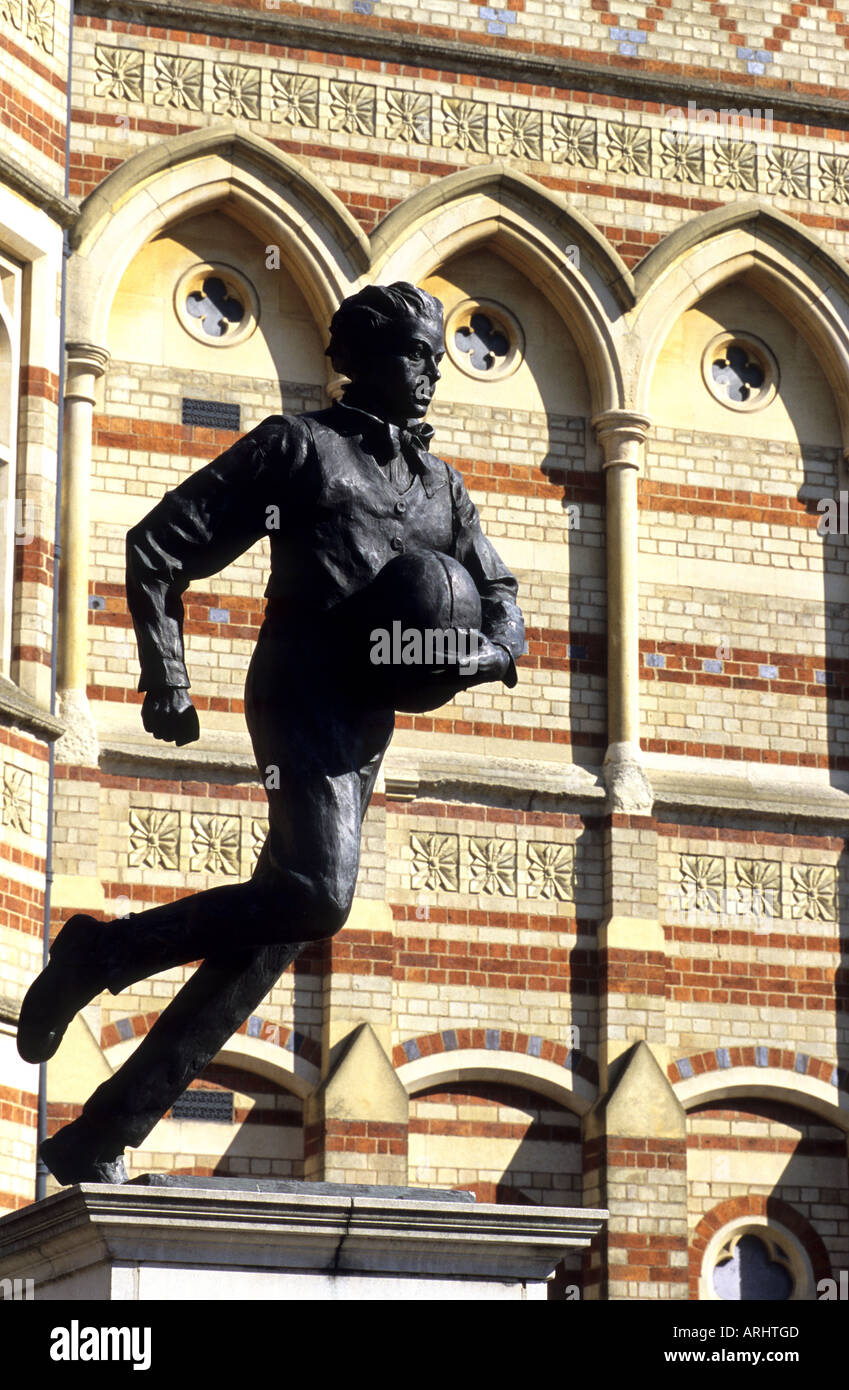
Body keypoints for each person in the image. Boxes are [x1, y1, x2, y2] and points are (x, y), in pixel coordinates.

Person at [17, 282, 525, 1183]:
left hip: (371, 715)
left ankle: (102, 1132)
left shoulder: (440, 485)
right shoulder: (301, 450)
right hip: (298, 690)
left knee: (274, 933)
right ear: (359, 357)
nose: (429, 377)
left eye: (436, 360)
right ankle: (104, 951)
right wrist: (167, 674)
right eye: (413, 355)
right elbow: (159, 545)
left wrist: (482, 655)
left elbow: (502, 599)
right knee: (319, 896)